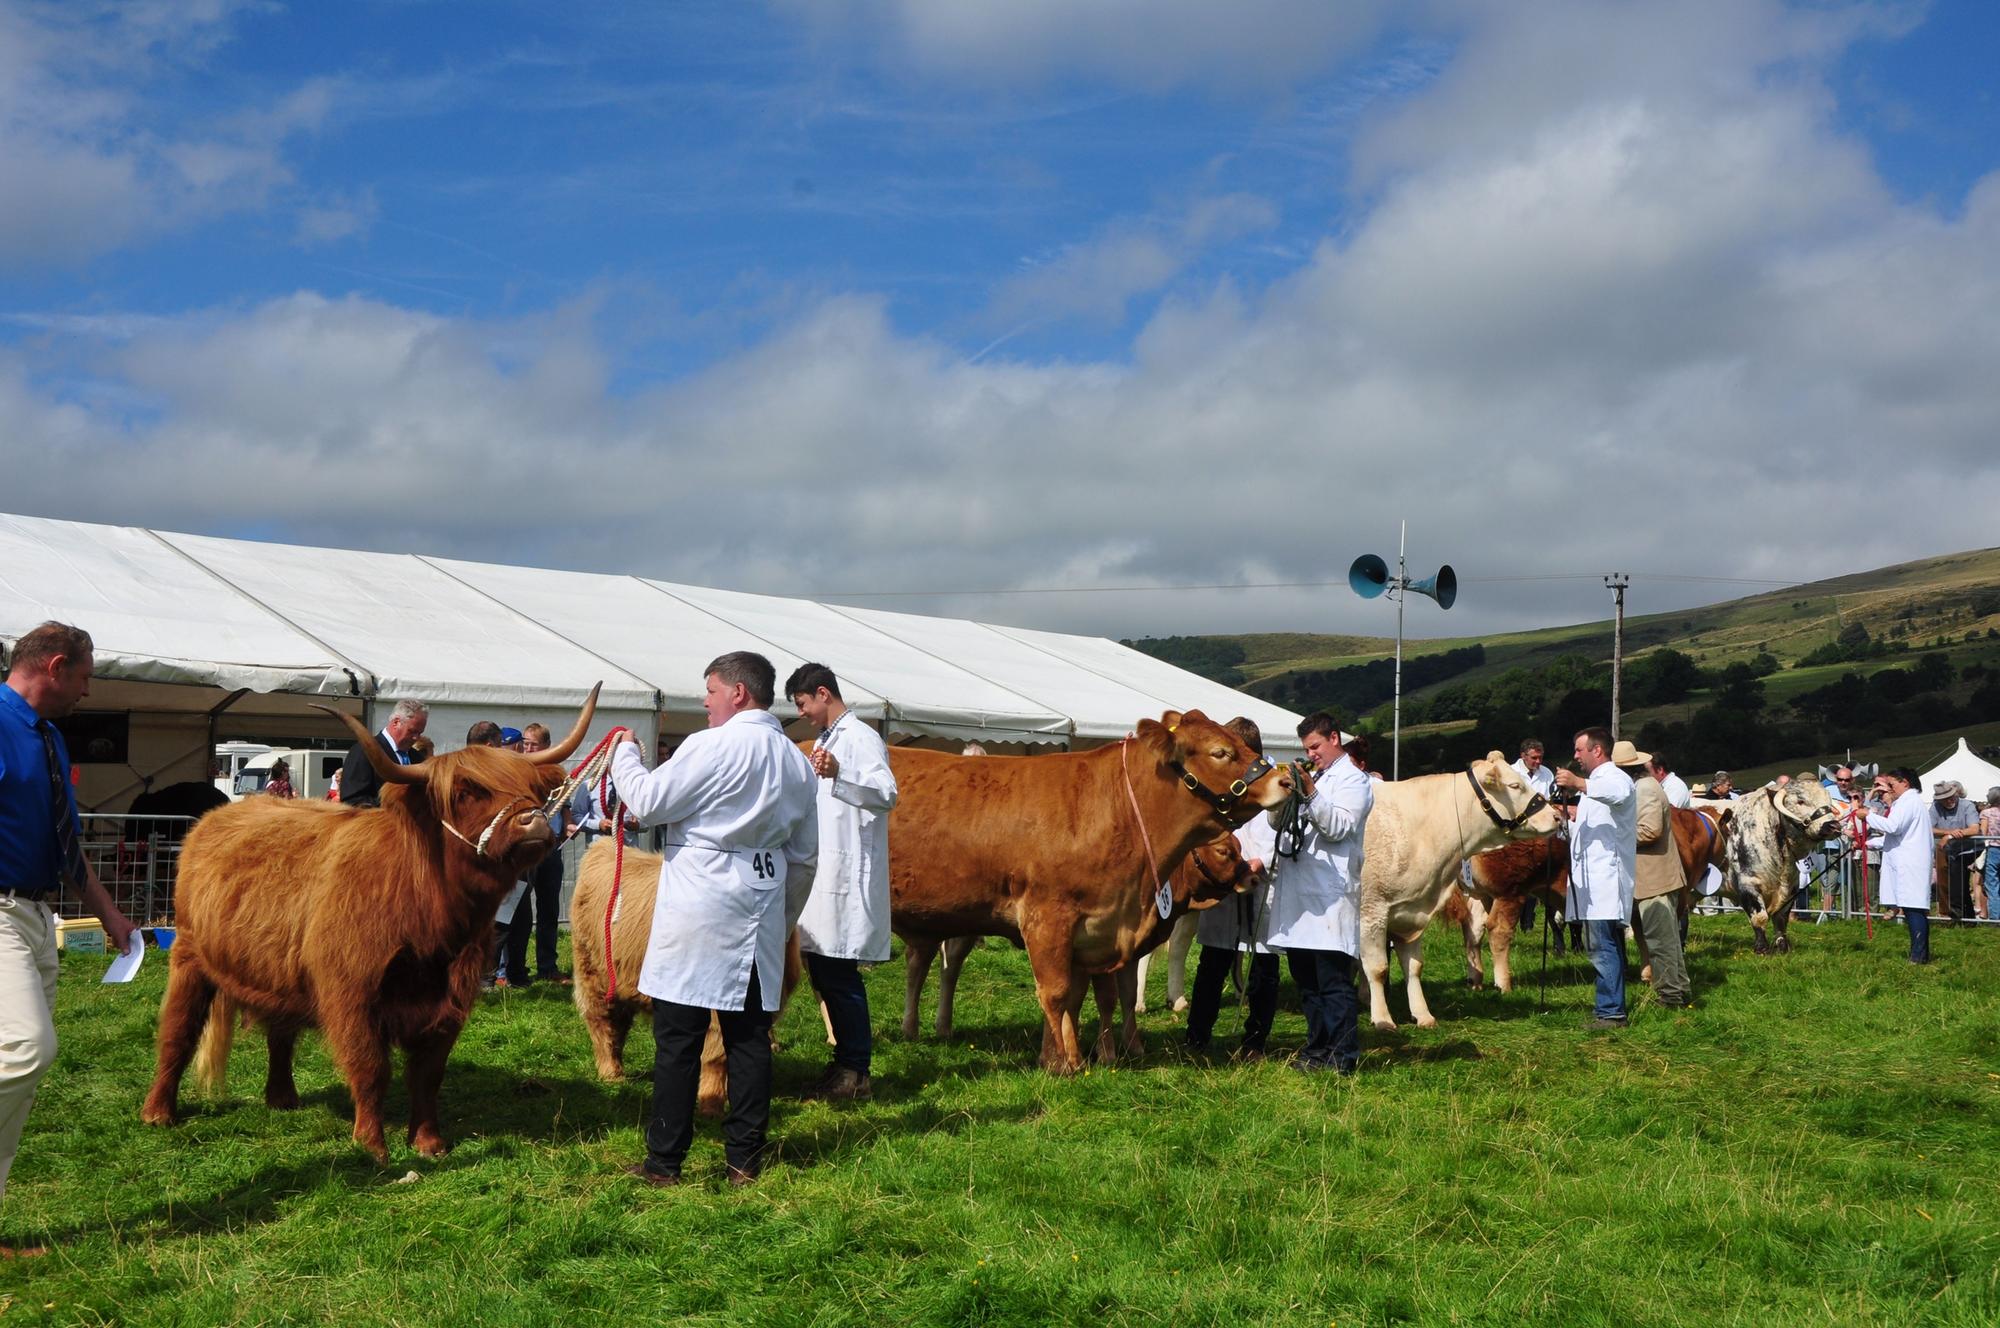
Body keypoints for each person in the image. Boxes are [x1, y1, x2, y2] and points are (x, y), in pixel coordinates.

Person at [609, 652, 817, 1186]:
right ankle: (744, 1161)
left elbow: (649, 802)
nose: (705, 701)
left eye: (711, 690)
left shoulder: (712, 744)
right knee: (749, 1038)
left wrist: (625, 756)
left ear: (738, 694)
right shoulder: (796, 761)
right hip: (762, 903)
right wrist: (782, 916)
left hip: (701, 901)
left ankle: (664, 1162)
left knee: (679, 1036)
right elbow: (805, 857)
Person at [2, 622, 139, 1255]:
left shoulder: (52, 737)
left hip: (38, 914)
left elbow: (66, 844)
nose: (88, 691)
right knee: (28, 1048)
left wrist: (110, 915)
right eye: (85, 678)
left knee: (21, 1080)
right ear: (55, 666)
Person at [785, 663, 900, 1103]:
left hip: (847, 875)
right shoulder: (830, 739)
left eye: (803, 705)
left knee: (840, 974)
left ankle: (857, 1069)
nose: (804, 714)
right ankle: (844, 1064)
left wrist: (839, 774)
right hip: (823, 871)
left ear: (822, 694)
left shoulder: (861, 738)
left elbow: (887, 794)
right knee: (826, 972)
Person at [1265, 712, 1373, 1074]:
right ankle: (1317, 1051)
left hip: (1330, 897)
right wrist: (1284, 796)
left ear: (1334, 739)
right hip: (1299, 896)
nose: (1311, 754)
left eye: (1315, 746)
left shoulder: (1354, 781)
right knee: (1307, 985)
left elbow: (1339, 827)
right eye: (1307, 749)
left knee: (1334, 983)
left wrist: (1309, 792)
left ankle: (1343, 1057)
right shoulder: (1321, 777)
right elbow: (1277, 824)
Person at [1185, 718, 1282, 1058]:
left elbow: (1281, 832)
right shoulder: (1219, 778)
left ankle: (1255, 1041)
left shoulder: (1275, 781)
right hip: (1224, 884)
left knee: (1263, 968)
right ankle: (1197, 1037)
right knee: (1212, 963)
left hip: (1262, 884)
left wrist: (1260, 862)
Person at [1555, 727, 1636, 1028]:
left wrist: (1578, 783)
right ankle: (1610, 1007)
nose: (1576, 756)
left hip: (1606, 879)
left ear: (1597, 750)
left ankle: (1611, 1012)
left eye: (1579, 750)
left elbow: (1620, 794)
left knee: (1602, 948)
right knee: (1605, 946)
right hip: (1593, 880)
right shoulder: (1593, 786)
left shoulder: (1614, 778)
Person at [1616, 741, 1690, 1009]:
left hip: (1655, 879)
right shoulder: (1644, 786)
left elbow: (1649, 831)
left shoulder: (1645, 789)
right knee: (1666, 940)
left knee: (1660, 942)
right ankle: (1678, 988)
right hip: (1654, 878)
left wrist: (1615, 835)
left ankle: (1670, 997)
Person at [501, 723, 571, 987]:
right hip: (526, 850)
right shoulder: (516, 772)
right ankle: (506, 969)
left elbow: (566, 802)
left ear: (546, 748)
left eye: (533, 744)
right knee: (514, 908)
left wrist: (566, 823)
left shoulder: (556, 772)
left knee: (548, 908)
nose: (527, 748)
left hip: (550, 848)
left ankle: (547, 965)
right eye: (525, 743)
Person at [1864, 767, 1933, 963]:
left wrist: (1867, 815)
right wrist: (1866, 843)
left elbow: (1893, 827)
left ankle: (1918, 957)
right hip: (1908, 861)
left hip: (1910, 864)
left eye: (1892, 785)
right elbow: (1893, 837)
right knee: (1913, 908)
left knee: (1914, 908)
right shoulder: (1908, 802)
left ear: (1905, 783)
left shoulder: (1908, 802)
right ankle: (1920, 955)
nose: (1890, 789)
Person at [336, 699, 428, 808]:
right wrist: (398, 809)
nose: (416, 738)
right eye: (412, 731)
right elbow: (352, 800)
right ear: (396, 722)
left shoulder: (418, 758)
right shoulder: (364, 751)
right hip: (375, 823)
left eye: (420, 733)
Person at [1930, 780, 1981, 923]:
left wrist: (1951, 836)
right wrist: (1948, 832)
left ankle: (1957, 914)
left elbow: (1974, 829)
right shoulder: (1935, 807)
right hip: (1950, 850)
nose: (1950, 801)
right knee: (1953, 880)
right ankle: (1965, 918)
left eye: (1951, 796)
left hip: (1971, 848)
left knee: (1957, 875)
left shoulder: (1967, 805)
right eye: (1945, 799)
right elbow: (1929, 827)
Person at [1977, 787, 2000, 923]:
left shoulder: (1986, 813)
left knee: (1992, 884)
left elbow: (1983, 832)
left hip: (1993, 849)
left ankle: (1995, 917)